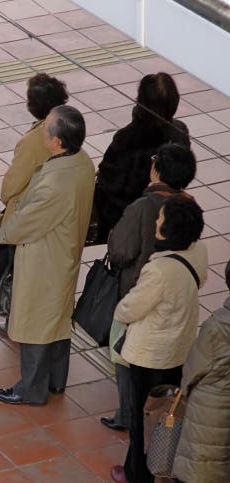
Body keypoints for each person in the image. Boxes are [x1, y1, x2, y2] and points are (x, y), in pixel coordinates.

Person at [0, 105, 94, 406]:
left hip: (44, 260)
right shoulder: (82, 162)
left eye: (46, 130)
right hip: (63, 254)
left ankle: (31, 388)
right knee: (58, 319)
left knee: (36, 323)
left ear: (57, 142)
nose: (42, 133)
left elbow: (23, 224)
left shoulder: (56, 183)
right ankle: (55, 380)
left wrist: (6, 229)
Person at [110, 196, 208, 483]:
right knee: (169, 414)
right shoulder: (197, 251)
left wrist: (120, 310)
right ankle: (164, 466)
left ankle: (138, 474)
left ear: (169, 230)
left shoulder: (159, 270)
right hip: (180, 347)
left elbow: (130, 308)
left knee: (143, 417)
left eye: (161, 219)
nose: (156, 221)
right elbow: (199, 280)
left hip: (149, 354)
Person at [101, 143, 197, 432]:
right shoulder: (189, 207)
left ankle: (130, 418)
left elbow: (120, 251)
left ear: (158, 170)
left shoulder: (143, 207)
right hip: (177, 304)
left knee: (124, 360)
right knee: (165, 366)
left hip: (138, 293)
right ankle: (161, 414)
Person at [0, 73, 69, 334]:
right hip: (58, 213)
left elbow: (11, 186)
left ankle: (17, 319)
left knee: (22, 270)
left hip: (29, 215)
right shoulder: (69, 127)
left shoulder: (32, 141)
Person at [93, 72, 190, 243]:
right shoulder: (180, 132)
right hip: (167, 210)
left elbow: (111, 182)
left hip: (127, 216)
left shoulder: (126, 139)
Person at [172, 259, 230, 483]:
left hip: (210, 405)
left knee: (203, 463)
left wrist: (183, 391)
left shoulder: (217, 325)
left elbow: (195, 368)